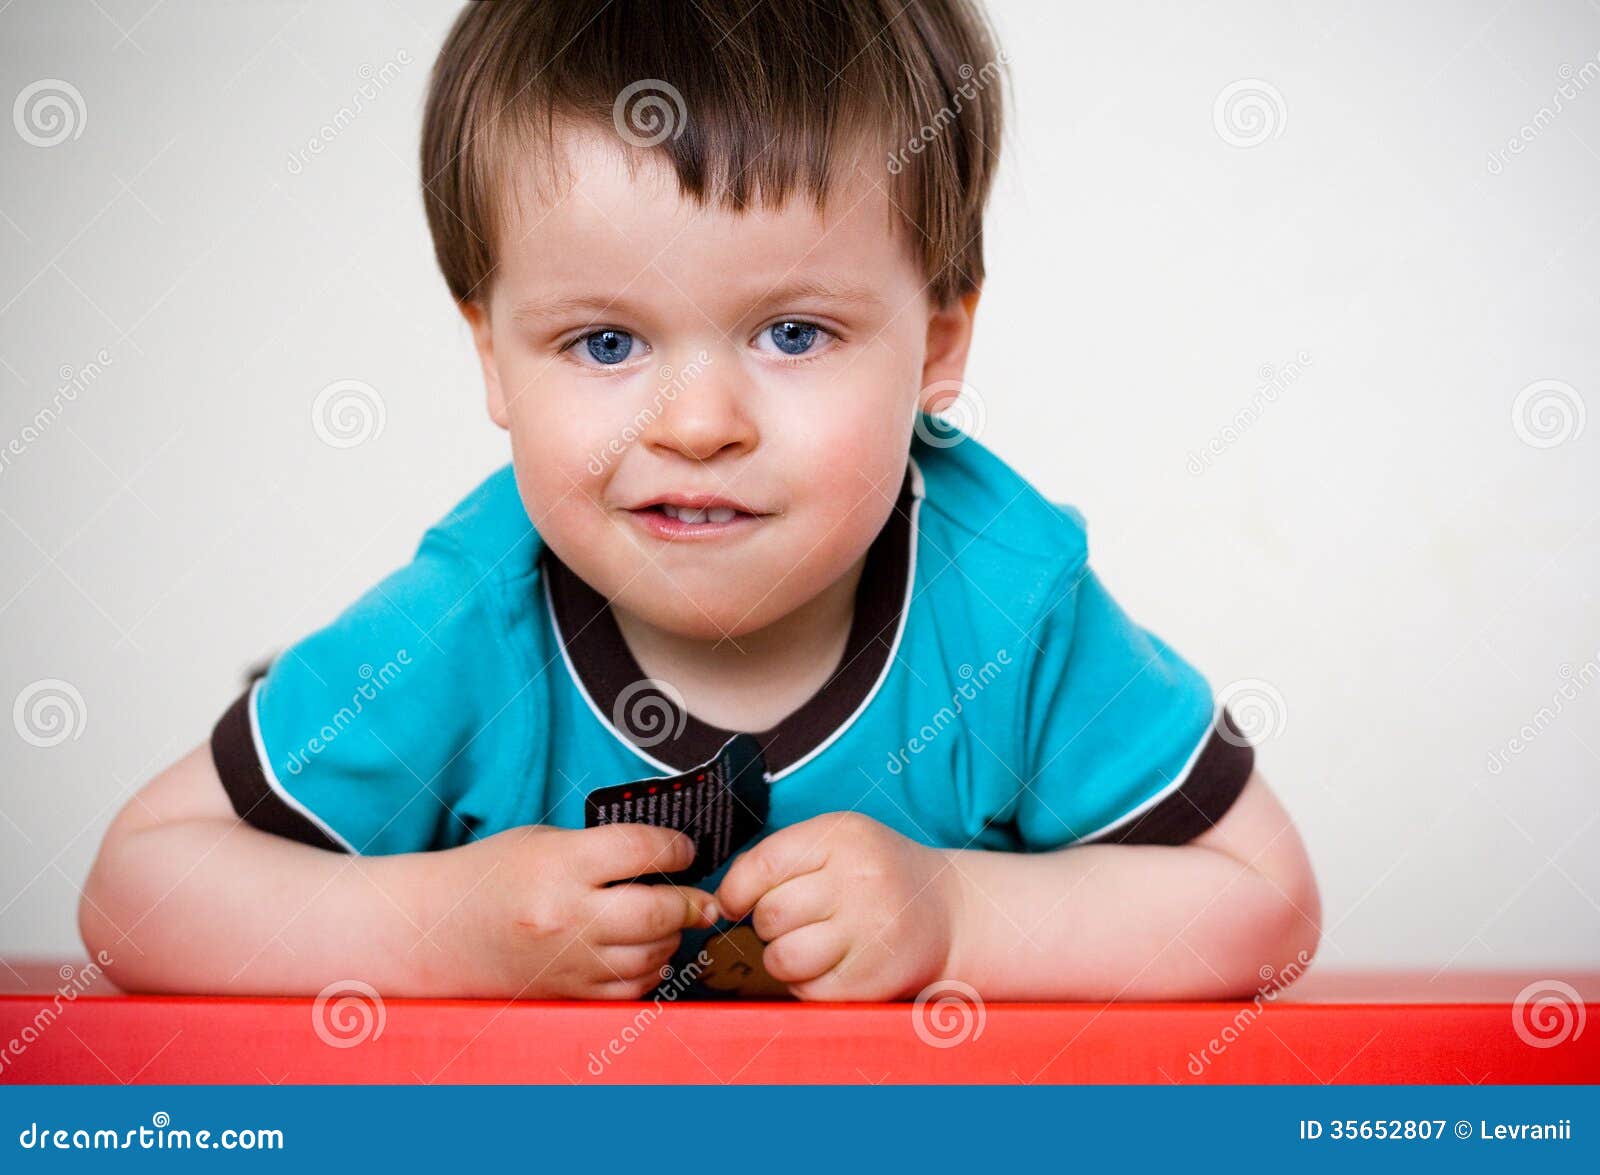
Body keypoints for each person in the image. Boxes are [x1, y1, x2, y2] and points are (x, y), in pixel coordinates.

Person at [82, 0, 1319, 1002]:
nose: (694, 423)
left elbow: (1265, 902)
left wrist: (958, 915)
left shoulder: (1006, 601)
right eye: (605, 342)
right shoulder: (464, 621)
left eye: (793, 332)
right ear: (492, 357)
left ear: (938, 345)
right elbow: (136, 892)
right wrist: (441, 927)